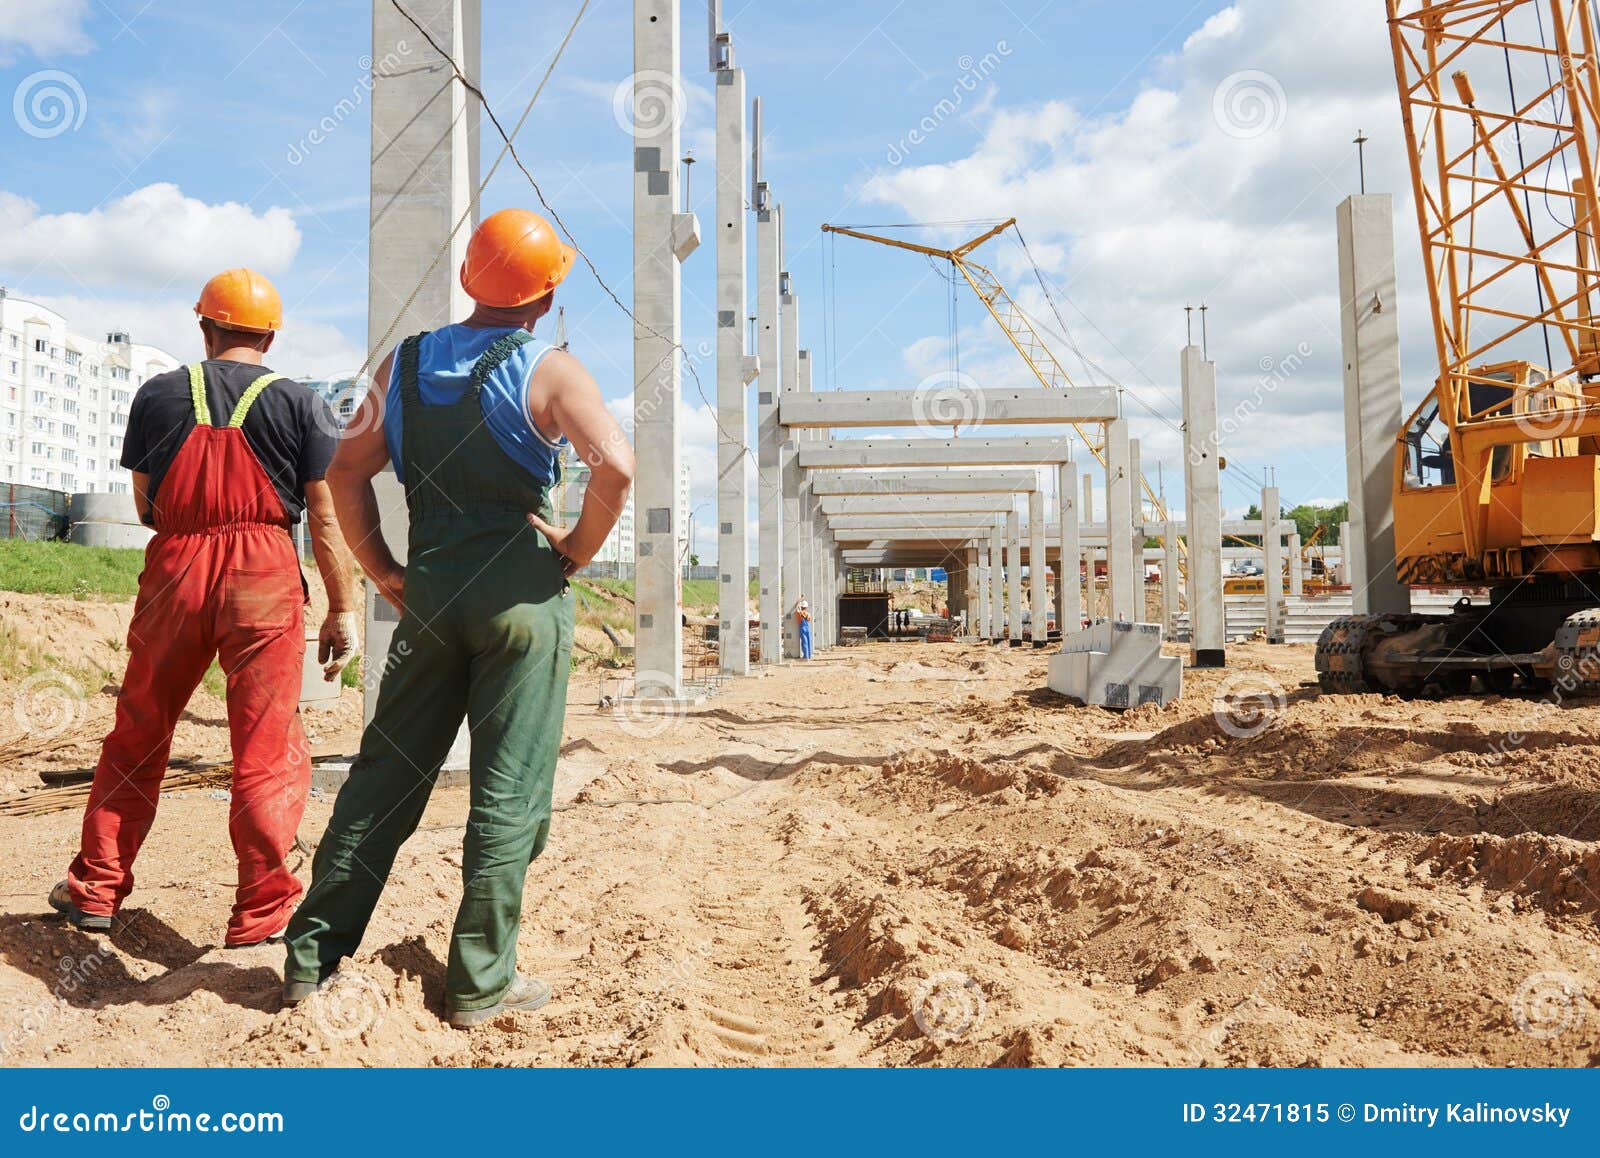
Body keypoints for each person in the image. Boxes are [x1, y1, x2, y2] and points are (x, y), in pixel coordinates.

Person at [282, 208, 634, 1028]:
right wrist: (576, 550)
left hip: (432, 597)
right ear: (545, 296)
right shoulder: (553, 369)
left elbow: (342, 475)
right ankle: (479, 982)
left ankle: (310, 959)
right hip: (523, 592)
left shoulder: (401, 368)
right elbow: (615, 466)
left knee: (384, 777)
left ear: (472, 280)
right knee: (508, 790)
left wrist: (383, 573)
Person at [50, 269, 356, 948]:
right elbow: (328, 520)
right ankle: (262, 914)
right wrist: (342, 607)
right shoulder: (302, 402)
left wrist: (194, 527)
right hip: (264, 573)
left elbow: (142, 505)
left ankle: (96, 890)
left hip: (176, 568)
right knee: (265, 743)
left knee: (139, 729)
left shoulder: (157, 394)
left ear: (205, 327)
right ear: (270, 334)